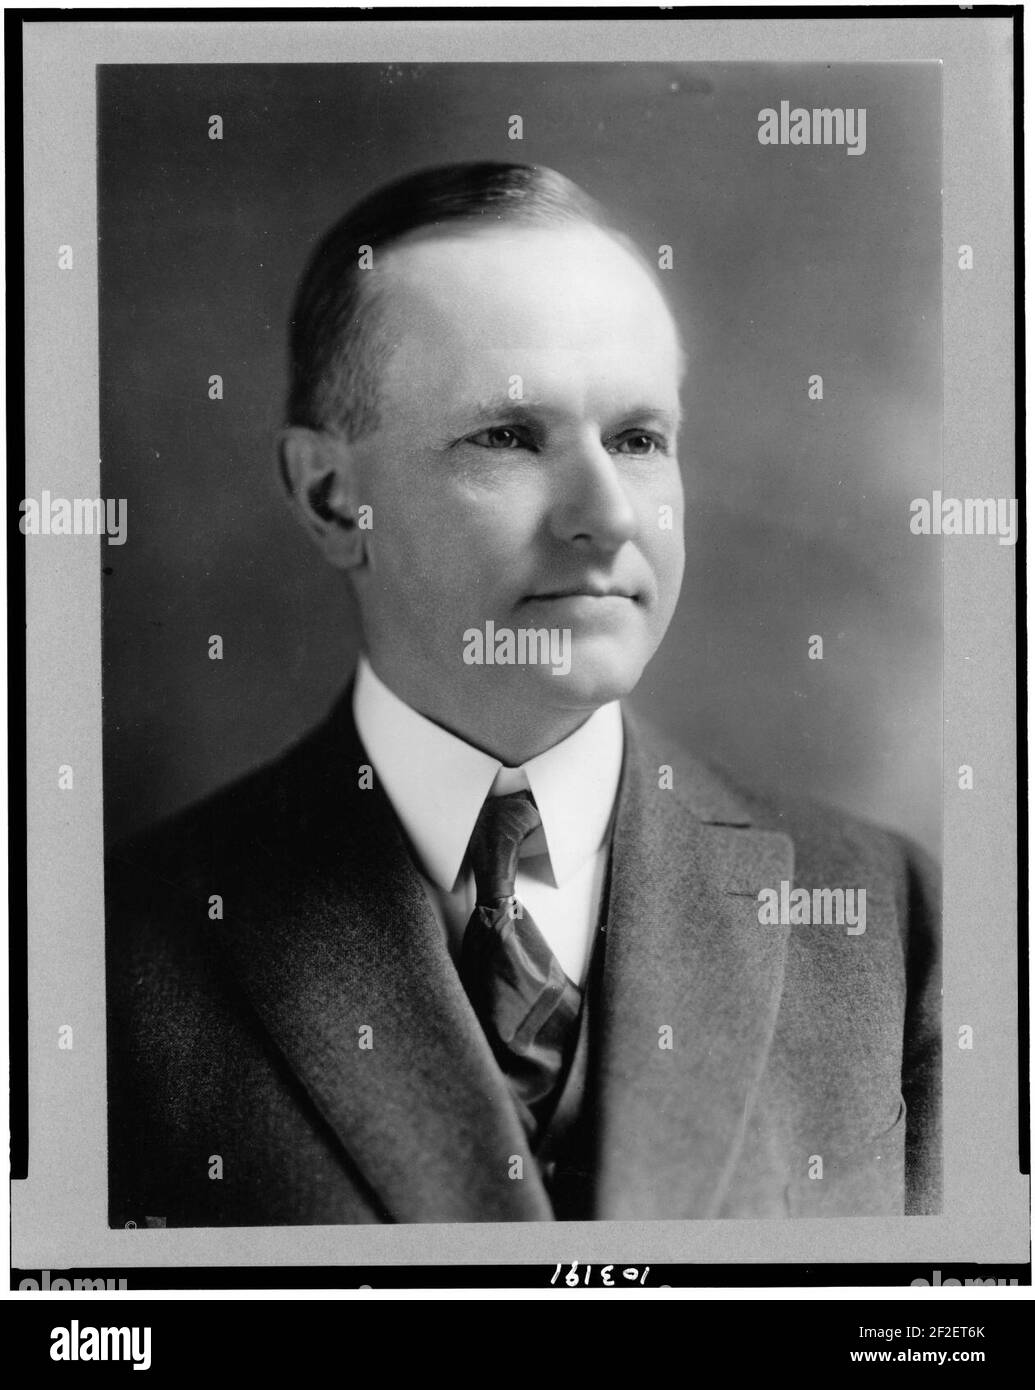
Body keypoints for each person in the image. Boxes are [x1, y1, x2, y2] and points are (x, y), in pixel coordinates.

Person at [106, 162, 941, 1226]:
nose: (607, 515)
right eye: (508, 437)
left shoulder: (891, 920)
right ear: (330, 496)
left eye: (639, 439)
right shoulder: (109, 958)